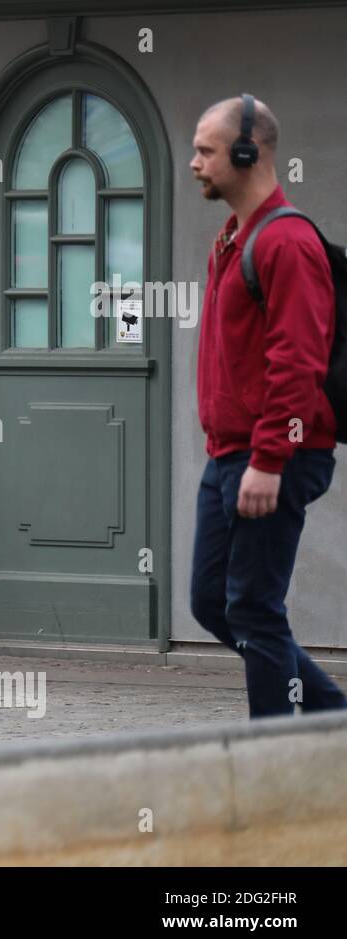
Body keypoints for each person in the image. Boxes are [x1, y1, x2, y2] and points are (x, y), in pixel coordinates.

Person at [188, 95, 345, 718]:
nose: (195, 162)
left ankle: (273, 764)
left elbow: (298, 360)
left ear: (249, 152)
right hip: (230, 454)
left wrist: (271, 458)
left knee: (253, 606)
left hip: (274, 454)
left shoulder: (285, 242)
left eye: (206, 150)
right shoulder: (232, 237)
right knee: (212, 601)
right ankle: (331, 715)